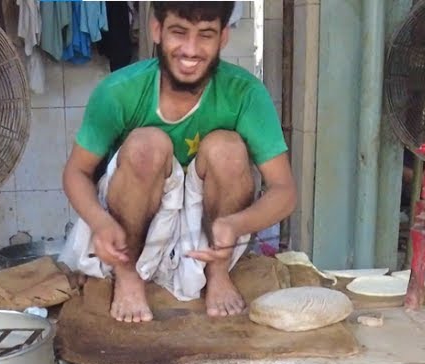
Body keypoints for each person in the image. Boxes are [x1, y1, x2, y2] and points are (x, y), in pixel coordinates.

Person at [58, 1, 295, 322]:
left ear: (223, 36)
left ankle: (217, 274)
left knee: (227, 147)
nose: (190, 50)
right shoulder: (119, 91)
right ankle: (128, 276)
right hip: (133, 225)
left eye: (206, 35)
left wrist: (237, 224)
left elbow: (284, 191)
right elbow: (77, 172)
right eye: (178, 33)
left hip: (206, 234)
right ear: (157, 30)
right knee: (148, 144)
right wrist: (101, 223)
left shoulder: (245, 93)